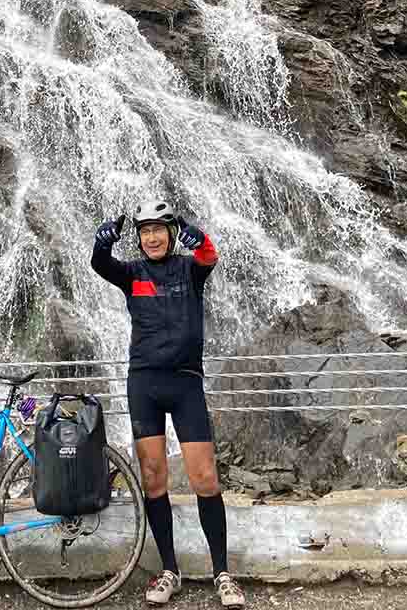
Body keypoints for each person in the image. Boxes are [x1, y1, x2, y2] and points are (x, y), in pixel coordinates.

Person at [91, 201, 244, 608]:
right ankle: (169, 570)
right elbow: (100, 265)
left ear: (171, 233)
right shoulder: (132, 274)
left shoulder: (188, 270)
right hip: (144, 384)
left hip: (186, 383)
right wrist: (101, 244)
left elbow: (209, 256)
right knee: (154, 477)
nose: (152, 237)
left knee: (204, 477)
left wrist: (202, 238)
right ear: (138, 238)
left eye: (159, 229)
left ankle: (222, 573)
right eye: (144, 231)